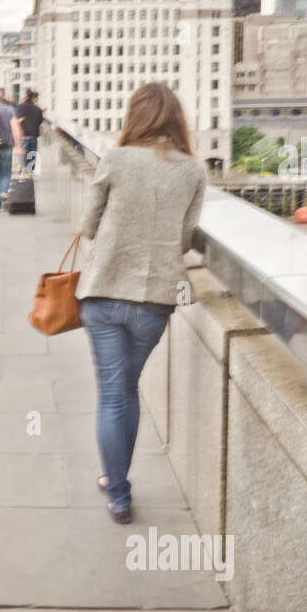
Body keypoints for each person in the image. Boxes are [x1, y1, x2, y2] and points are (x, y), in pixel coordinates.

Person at [76, 83, 206, 524]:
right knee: (127, 390)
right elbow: (186, 237)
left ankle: (119, 491)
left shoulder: (116, 158)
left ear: (136, 116)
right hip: (154, 300)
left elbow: (88, 224)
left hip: (104, 293)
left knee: (113, 395)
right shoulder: (192, 170)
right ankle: (116, 481)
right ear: (176, 121)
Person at [15, 89, 44, 180]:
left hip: (23, 134)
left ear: (26, 96)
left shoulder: (20, 107)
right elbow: (40, 121)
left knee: (23, 153)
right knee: (32, 153)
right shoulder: (37, 108)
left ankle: (23, 169)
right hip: (33, 134)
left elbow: (16, 119)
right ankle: (29, 173)